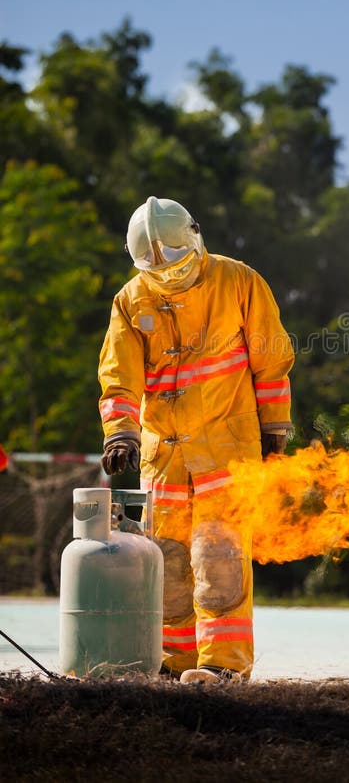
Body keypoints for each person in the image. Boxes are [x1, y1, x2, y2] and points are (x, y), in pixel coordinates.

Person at [98, 196, 294, 683]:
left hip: (226, 449)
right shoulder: (131, 300)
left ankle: (224, 666)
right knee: (166, 561)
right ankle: (176, 661)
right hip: (164, 455)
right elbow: (118, 375)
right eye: (155, 269)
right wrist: (120, 432)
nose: (168, 275)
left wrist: (275, 427)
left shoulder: (239, 281)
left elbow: (271, 362)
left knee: (220, 558)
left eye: (177, 263)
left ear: (196, 237)